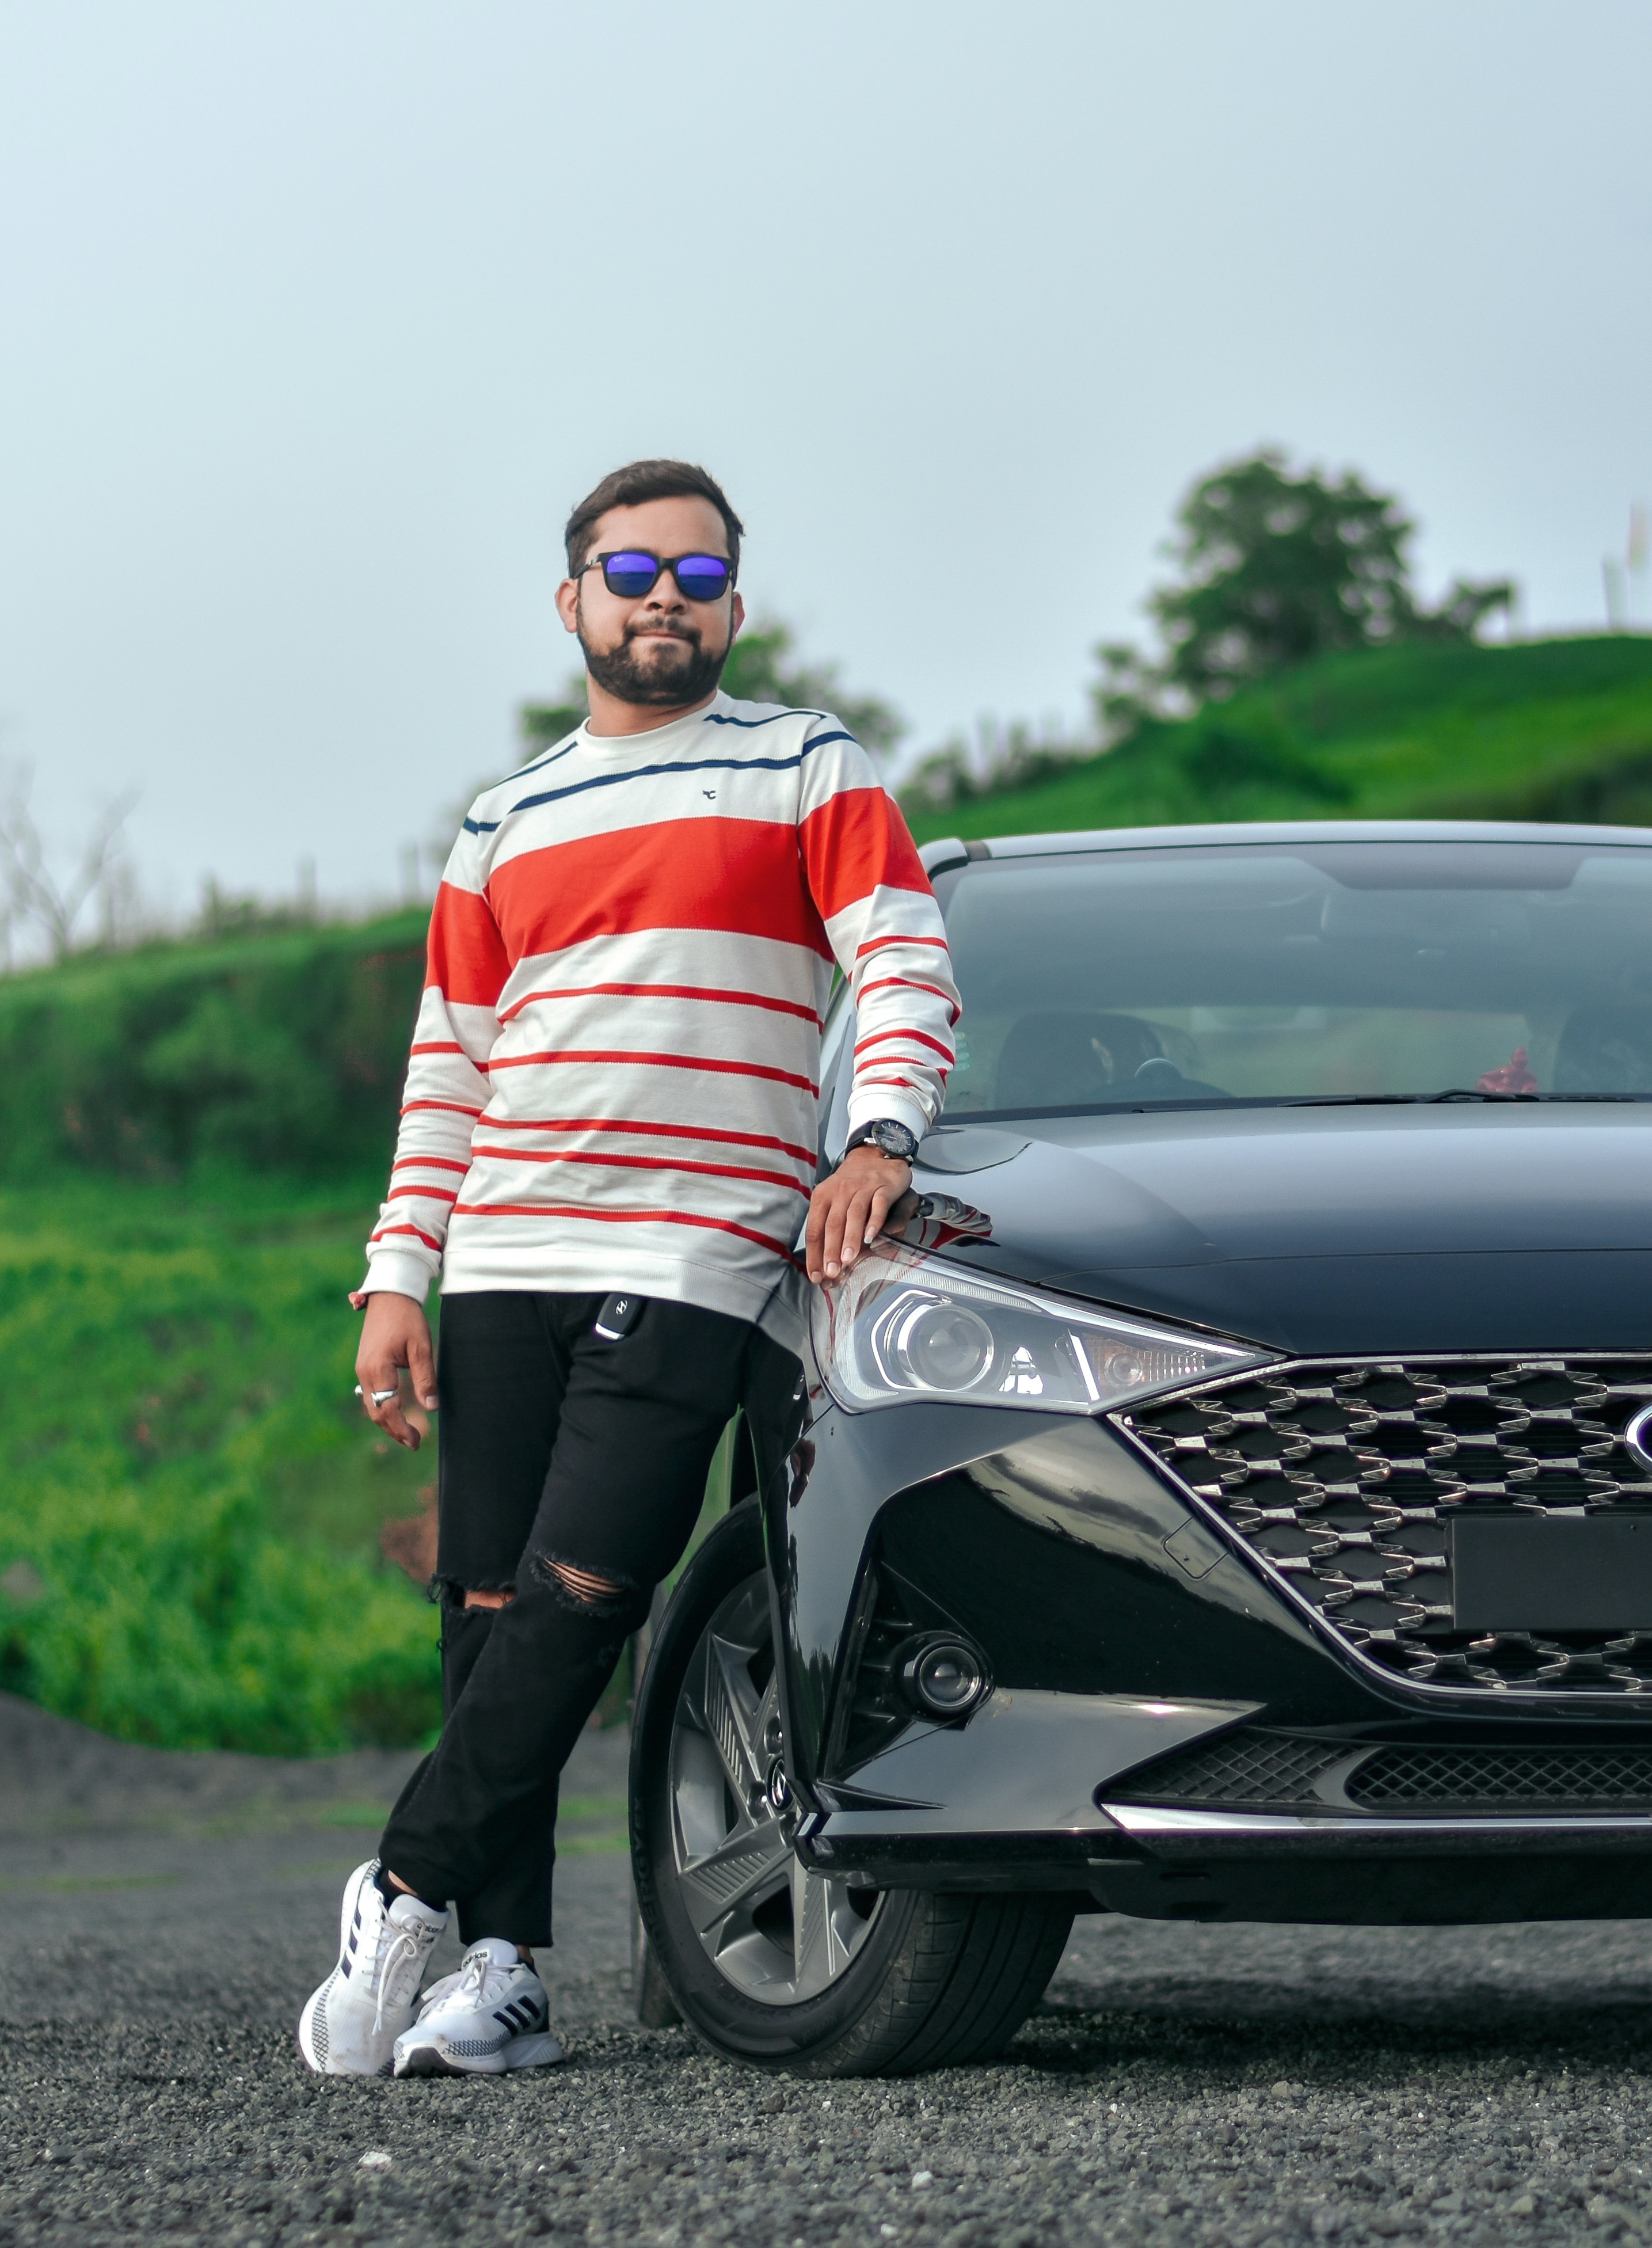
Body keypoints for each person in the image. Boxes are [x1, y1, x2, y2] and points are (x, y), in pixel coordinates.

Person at [295, 458, 958, 2077]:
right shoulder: (501, 815)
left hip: (697, 1247)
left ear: (736, 599)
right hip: (504, 1246)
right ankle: (505, 1971)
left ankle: (400, 1880)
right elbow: (448, 1058)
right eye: (635, 570)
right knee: (482, 1607)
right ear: (572, 596)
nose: (668, 598)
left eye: (700, 574)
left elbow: (900, 950)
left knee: (583, 1598)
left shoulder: (807, 764)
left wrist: (878, 1138)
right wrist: (401, 1271)